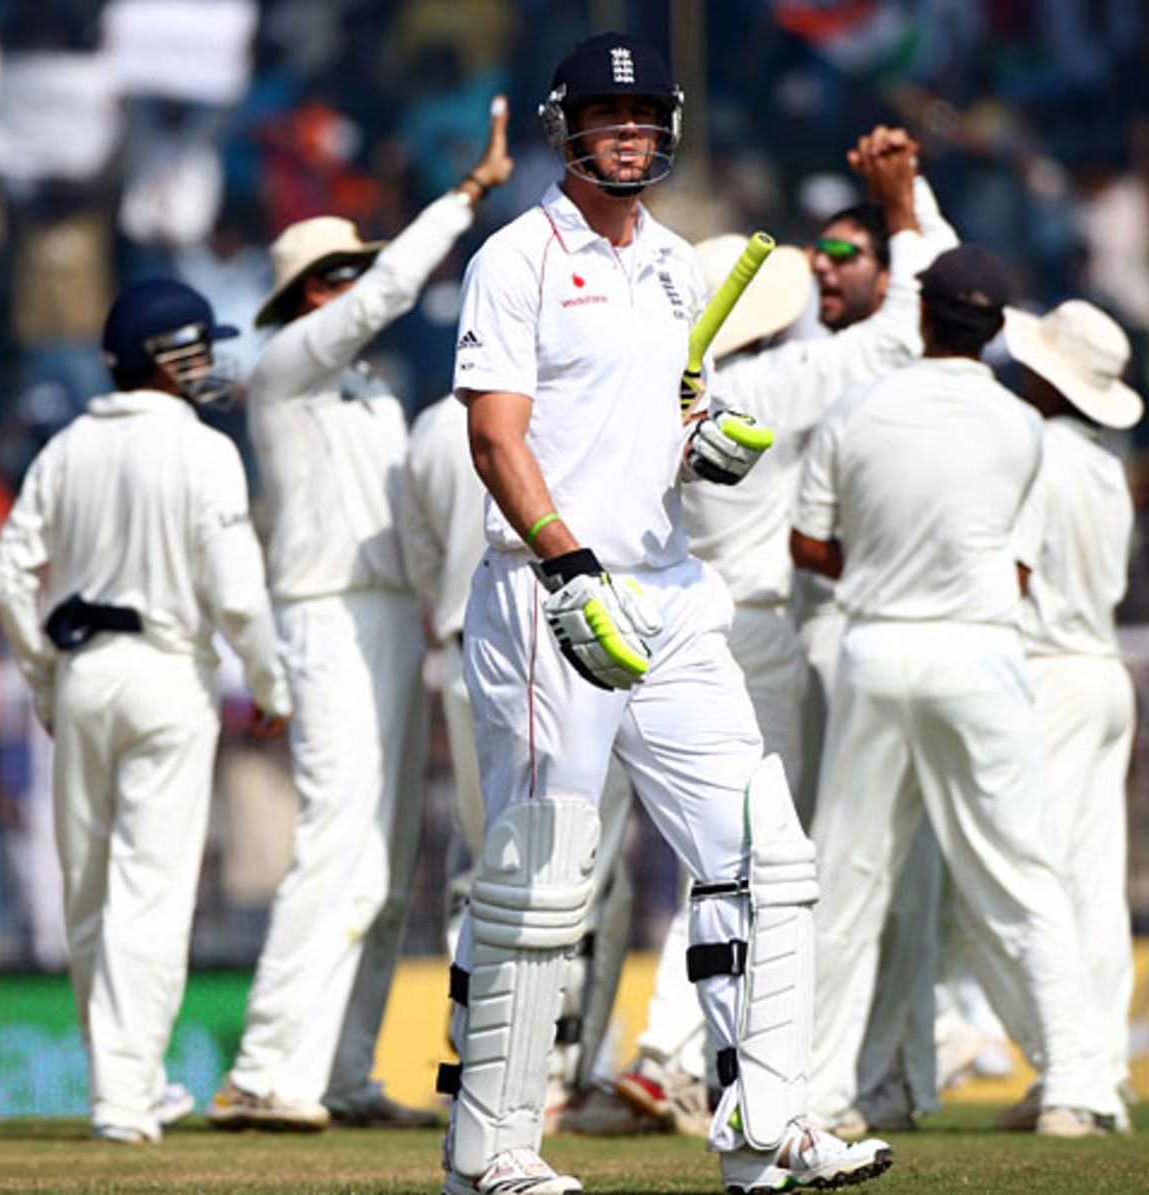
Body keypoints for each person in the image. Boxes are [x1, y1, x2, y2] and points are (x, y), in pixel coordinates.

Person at [439, 32, 892, 1194]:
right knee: (545, 873)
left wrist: (708, 438)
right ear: (568, 127)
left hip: (674, 589)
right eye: (607, 115)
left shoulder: (682, 265)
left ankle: (765, 1126)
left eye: (644, 116)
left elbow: (663, 413)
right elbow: (497, 438)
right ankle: (491, 1153)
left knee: (763, 856)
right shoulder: (517, 259)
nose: (629, 133)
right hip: (552, 594)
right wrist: (566, 565)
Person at [615, 130, 959, 1136]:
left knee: (703, 856)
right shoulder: (766, 384)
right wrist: (908, 207)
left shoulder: (669, 386)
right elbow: (906, 327)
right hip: (751, 635)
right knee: (749, 857)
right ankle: (674, 1050)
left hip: (666, 620)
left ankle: (664, 1054)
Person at [207, 98, 514, 1132]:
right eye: (336, 281)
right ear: (308, 296)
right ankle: (261, 1069)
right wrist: (465, 197)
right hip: (325, 614)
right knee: (335, 841)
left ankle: (339, 1071)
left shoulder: (373, 395)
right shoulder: (286, 367)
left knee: (385, 866)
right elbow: (386, 292)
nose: (354, 292)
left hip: (394, 618)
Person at [791, 244, 1125, 1137]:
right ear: (993, 331)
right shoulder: (1022, 428)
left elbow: (808, 546)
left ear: (926, 316)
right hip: (982, 653)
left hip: (877, 648)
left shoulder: (860, 406)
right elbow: (1013, 569)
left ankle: (823, 1094)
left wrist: (885, 570)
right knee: (1023, 872)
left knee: (847, 881)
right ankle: (1078, 1087)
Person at [0, 279, 292, 1144]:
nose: (210, 365)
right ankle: (126, 1096)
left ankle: (130, 1081)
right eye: (197, 349)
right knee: (147, 893)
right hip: (165, 675)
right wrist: (271, 686)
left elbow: (5, 578)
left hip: (83, 676)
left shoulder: (67, 446)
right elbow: (237, 593)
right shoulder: (204, 450)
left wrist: (46, 678)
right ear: (162, 359)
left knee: (88, 892)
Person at [397, 393, 638, 1136]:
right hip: (567, 639)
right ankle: (561, 1066)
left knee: (492, 861)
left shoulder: (433, 425)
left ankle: (481, 1052)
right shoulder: (576, 407)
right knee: (582, 866)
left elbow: (420, 560)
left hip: (463, 646)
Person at [999, 298, 1143, 1131]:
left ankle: (1074, 1074)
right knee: (1091, 882)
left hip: (1046, 673)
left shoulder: (1038, 452)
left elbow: (1012, 576)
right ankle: (1098, 1068)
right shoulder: (1103, 460)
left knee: (1028, 876)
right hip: (1101, 673)